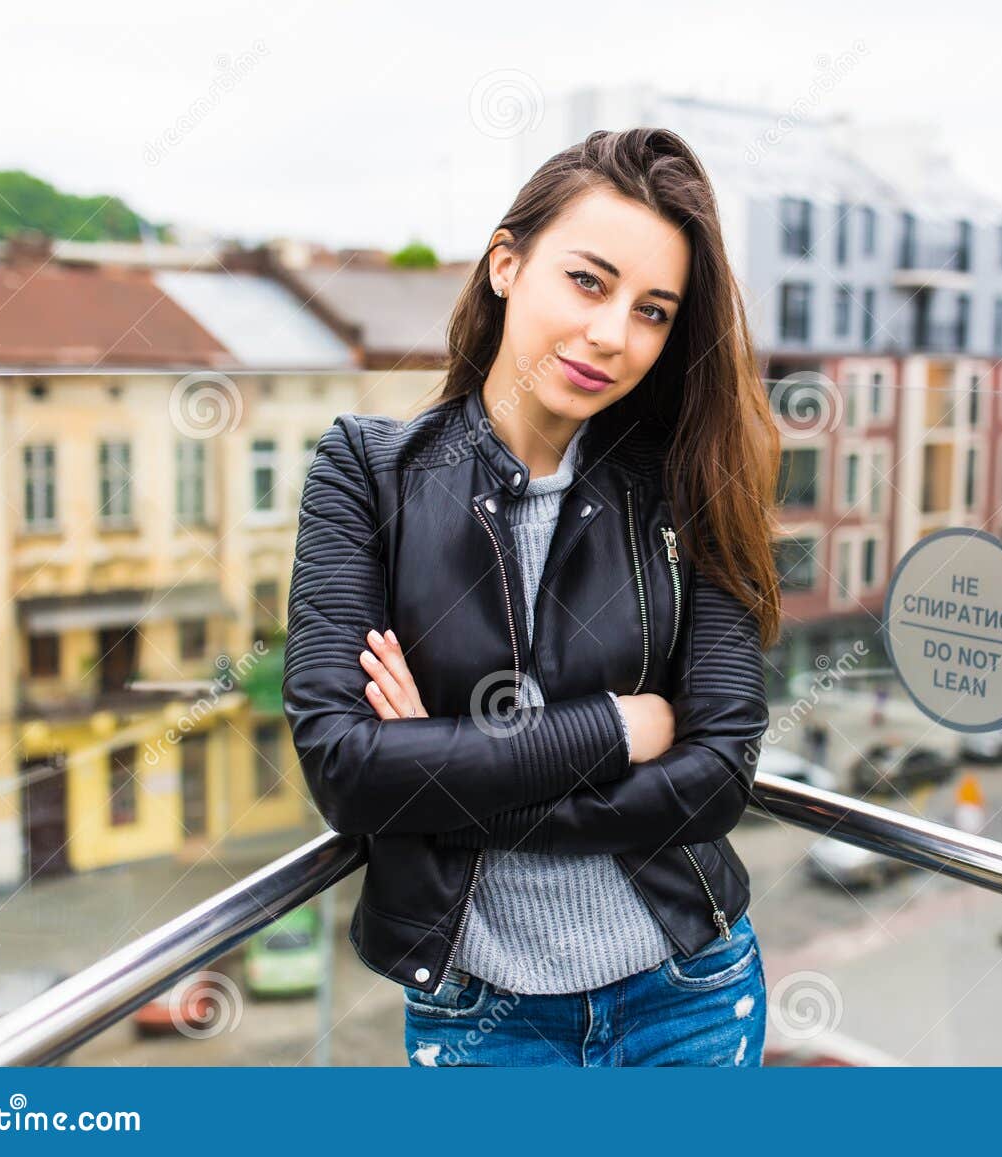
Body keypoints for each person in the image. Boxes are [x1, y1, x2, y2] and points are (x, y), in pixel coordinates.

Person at [282, 128, 781, 1066]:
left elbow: (717, 777)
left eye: (654, 311)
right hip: (486, 1017)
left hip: (692, 997)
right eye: (588, 282)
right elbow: (345, 769)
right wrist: (616, 730)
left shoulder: (689, 482)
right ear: (507, 264)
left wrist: (436, 770)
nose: (612, 335)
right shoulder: (366, 474)